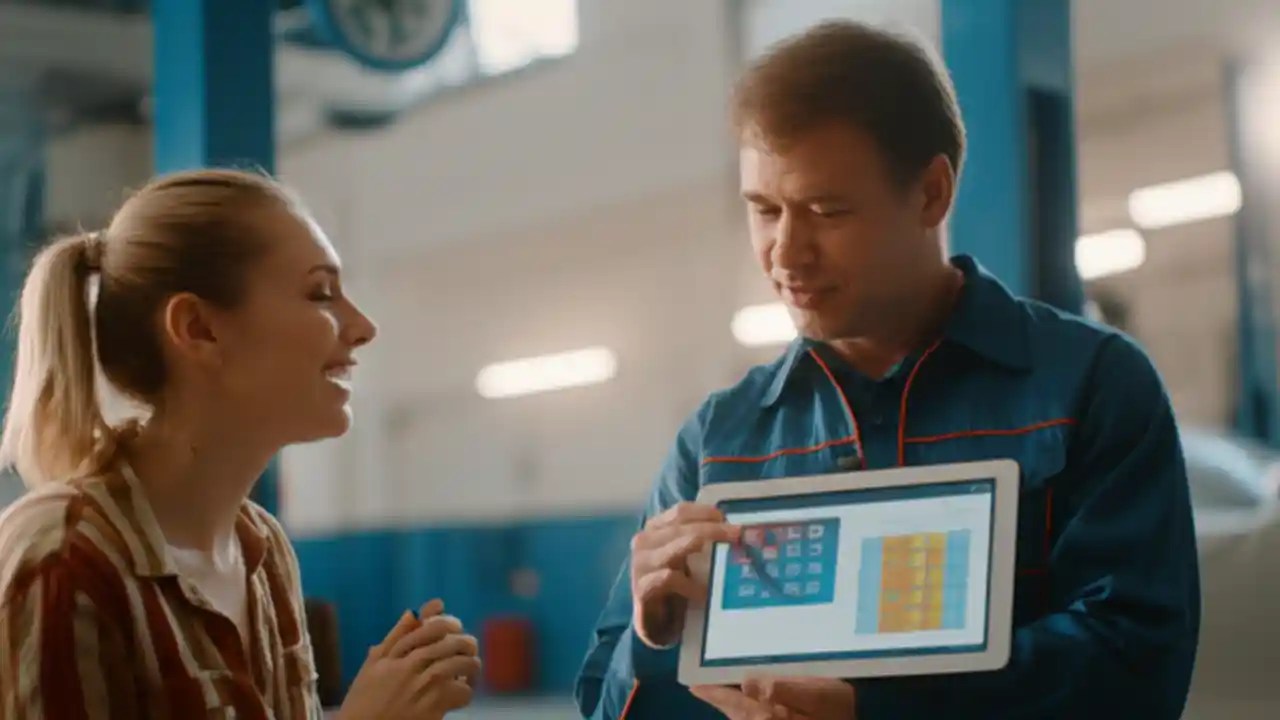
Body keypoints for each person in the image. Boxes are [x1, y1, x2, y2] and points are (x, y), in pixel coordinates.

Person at [574, 20, 1199, 720]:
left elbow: (1138, 663)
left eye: (826, 210)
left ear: (931, 194)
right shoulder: (719, 443)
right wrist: (656, 637)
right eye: (765, 210)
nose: (786, 253)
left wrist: (876, 710)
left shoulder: (1090, 388)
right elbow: (608, 707)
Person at [0, 168, 481, 719]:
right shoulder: (63, 562)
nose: (363, 326)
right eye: (320, 293)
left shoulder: (264, 551)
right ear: (199, 328)